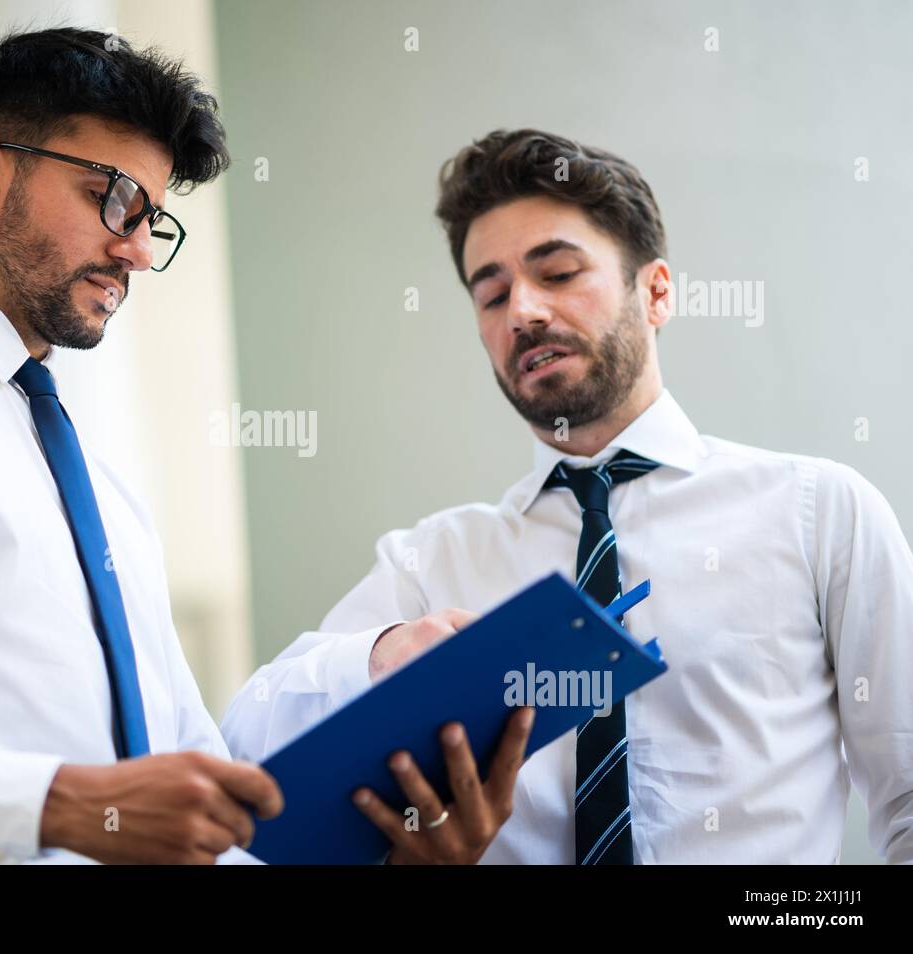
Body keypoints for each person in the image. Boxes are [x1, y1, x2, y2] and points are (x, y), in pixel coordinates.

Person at [0, 28, 521, 865]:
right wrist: (61, 805)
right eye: (114, 199)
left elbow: (196, 802)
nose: (140, 251)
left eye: (154, 220)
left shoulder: (105, 493)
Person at [222, 128, 913, 864]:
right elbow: (244, 739)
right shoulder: (432, 561)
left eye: (555, 273)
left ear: (656, 291)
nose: (521, 310)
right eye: (491, 292)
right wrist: (386, 653)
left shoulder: (820, 513)